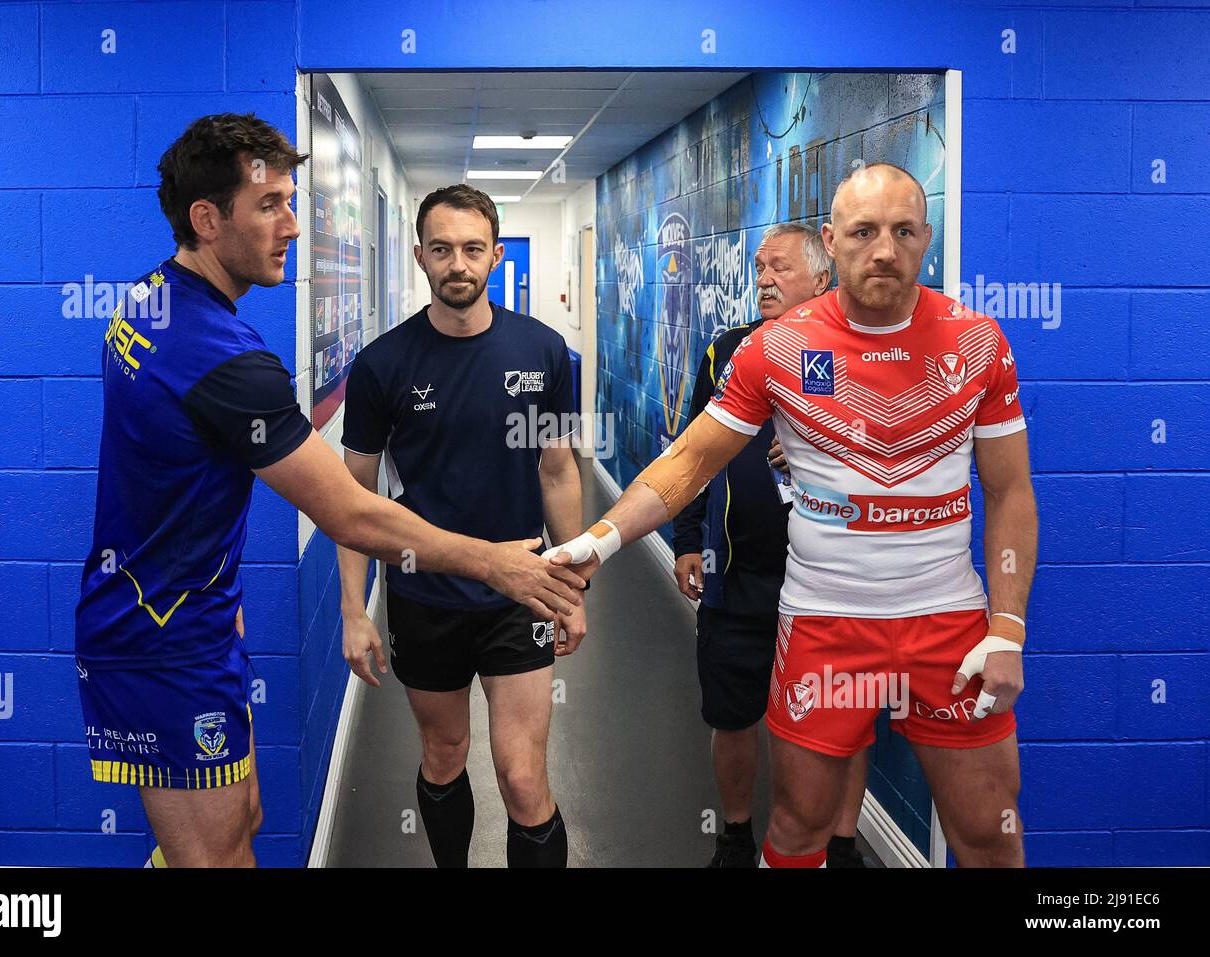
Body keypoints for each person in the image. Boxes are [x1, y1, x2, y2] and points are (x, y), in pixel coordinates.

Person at [74, 117, 582, 869]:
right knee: (213, 854)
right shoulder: (224, 356)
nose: (292, 225)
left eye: (291, 202)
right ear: (207, 219)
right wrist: (490, 563)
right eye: (270, 205)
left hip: (191, 617)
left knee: (239, 822)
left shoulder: (152, 301)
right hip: (160, 635)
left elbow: (558, 466)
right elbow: (348, 507)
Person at [548, 163, 1037, 868]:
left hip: (948, 622)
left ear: (926, 239)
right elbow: (691, 460)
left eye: (903, 232)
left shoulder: (978, 341)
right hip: (822, 621)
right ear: (832, 241)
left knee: (990, 833)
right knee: (800, 826)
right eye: (864, 232)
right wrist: (597, 541)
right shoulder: (776, 347)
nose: (885, 250)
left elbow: (1011, 491)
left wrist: (1008, 627)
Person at [337, 184, 584, 868]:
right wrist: (353, 609)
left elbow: (558, 470)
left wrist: (573, 584)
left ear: (496, 255)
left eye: (473, 249)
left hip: (521, 590)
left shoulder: (542, 350)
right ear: (419, 256)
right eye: (441, 249)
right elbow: (353, 499)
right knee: (444, 754)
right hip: (425, 594)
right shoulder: (383, 364)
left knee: (523, 775)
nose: (458, 264)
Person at [674, 222, 867, 868]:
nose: (763, 279)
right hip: (737, 576)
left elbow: (893, 458)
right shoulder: (727, 351)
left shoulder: (860, 356)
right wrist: (686, 539)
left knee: (842, 718)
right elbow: (692, 456)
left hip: (834, 580)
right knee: (732, 714)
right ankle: (735, 837)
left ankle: (841, 844)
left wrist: (827, 449)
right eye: (759, 268)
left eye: (779, 267)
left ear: (822, 276)